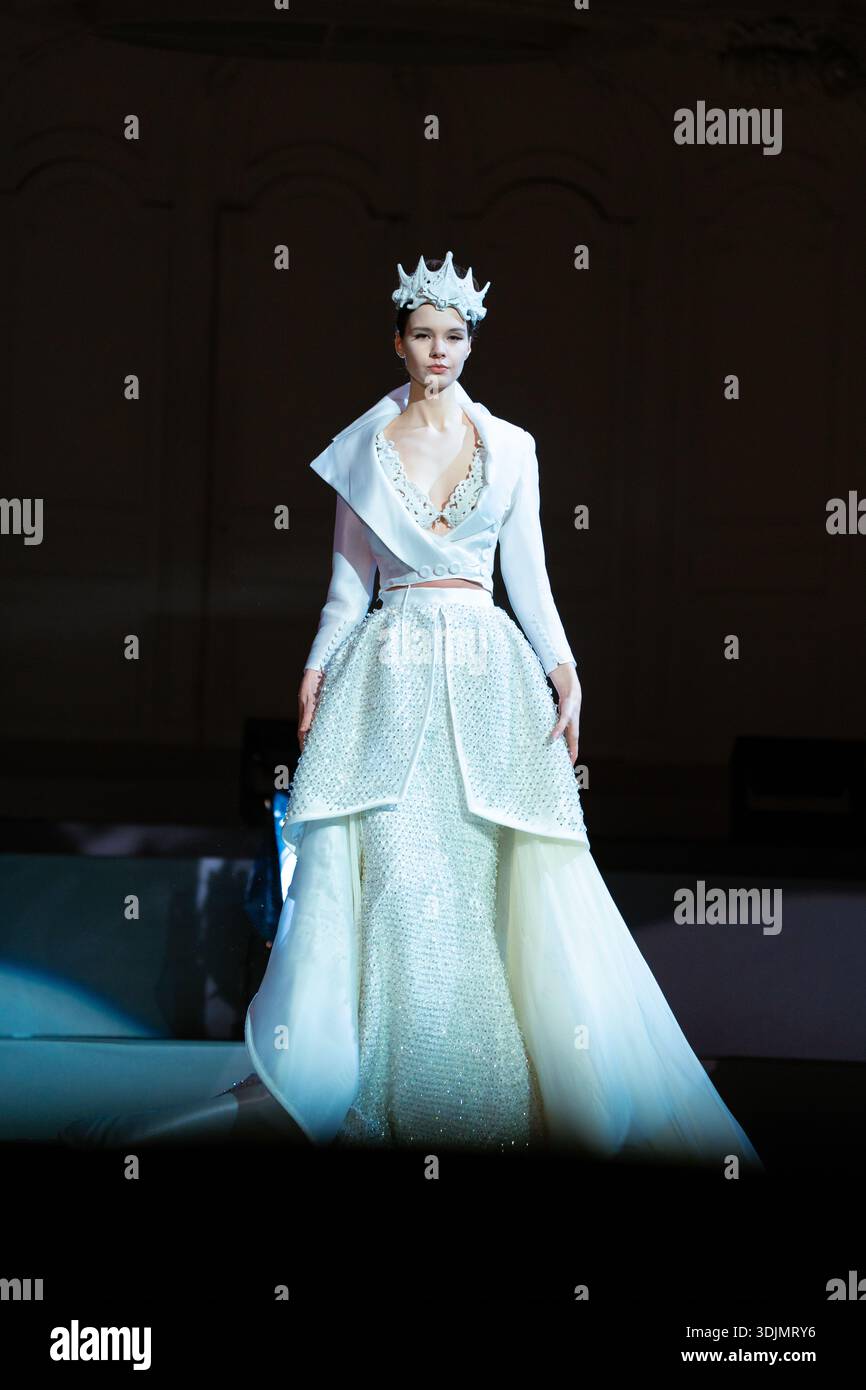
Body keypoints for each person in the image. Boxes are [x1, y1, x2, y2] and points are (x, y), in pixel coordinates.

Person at [62, 252, 764, 1170]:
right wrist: (317, 664)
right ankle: (389, 1095)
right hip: (387, 682)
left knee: (493, 885)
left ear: (471, 344)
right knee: (395, 883)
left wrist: (565, 667)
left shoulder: (512, 447)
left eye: (456, 336)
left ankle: (502, 1103)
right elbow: (346, 591)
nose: (440, 351)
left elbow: (530, 580)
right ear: (398, 342)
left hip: (488, 679)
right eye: (424, 335)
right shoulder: (361, 450)